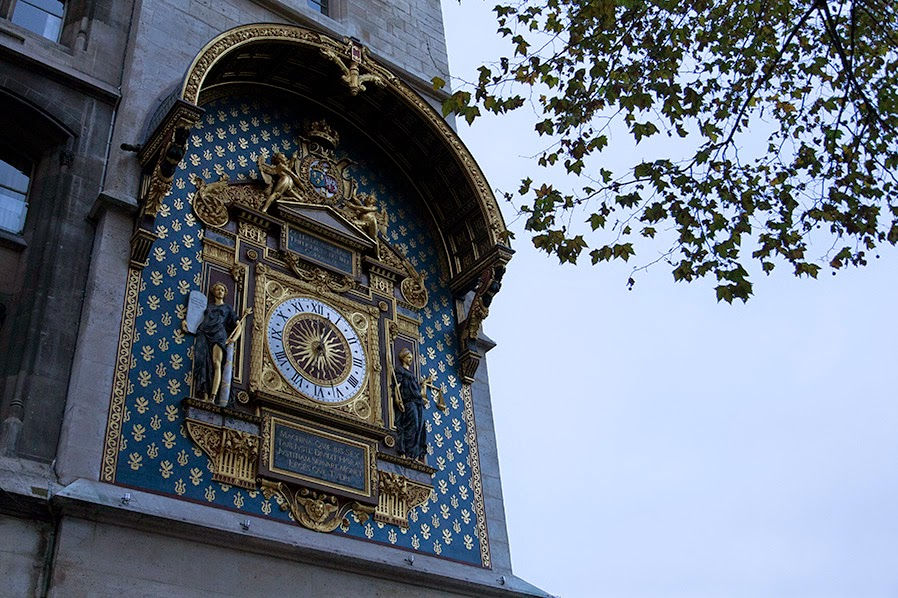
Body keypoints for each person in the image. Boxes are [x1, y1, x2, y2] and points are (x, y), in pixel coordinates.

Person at [182, 283, 248, 402]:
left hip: (219, 334)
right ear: (214, 292)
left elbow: (239, 326)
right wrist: (186, 322)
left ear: (225, 293)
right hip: (204, 333)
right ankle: (205, 394)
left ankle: (213, 396)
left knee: (216, 363)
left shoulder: (227, 308)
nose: (220, 291)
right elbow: (195, 318)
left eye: (222, 290)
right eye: (218, 289)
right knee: (203, 362)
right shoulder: (208, 307)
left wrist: (234, 338)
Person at [392, 348, 434, 460]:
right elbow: (397, 386)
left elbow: (418, 391)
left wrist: (425, 383)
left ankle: (414, 454)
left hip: (417, 402)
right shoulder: (400, 370)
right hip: (409, 402)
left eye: (411, 358)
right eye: (408, 357)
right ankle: (407, 452)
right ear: (403, 358)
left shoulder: (412, 375)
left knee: (420, 427)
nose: (410, 360)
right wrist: (397, 400)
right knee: (413, 424)